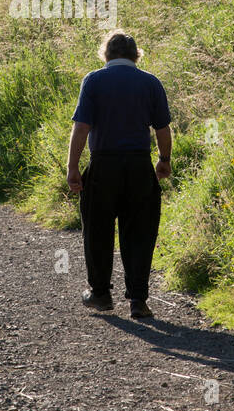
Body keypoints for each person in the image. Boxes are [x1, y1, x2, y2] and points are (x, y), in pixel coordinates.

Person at [66, 30, 172, 320]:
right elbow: (162, 130)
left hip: (103, 165)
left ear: (106, 54)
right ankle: (138, 299)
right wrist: (164, 160)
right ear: (137, 55)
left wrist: (73, 167)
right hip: (139, 165)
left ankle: (100, 294)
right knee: (139, 231)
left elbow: (82, 128)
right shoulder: (150, 83)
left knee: (98, 229)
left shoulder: (94, 80)